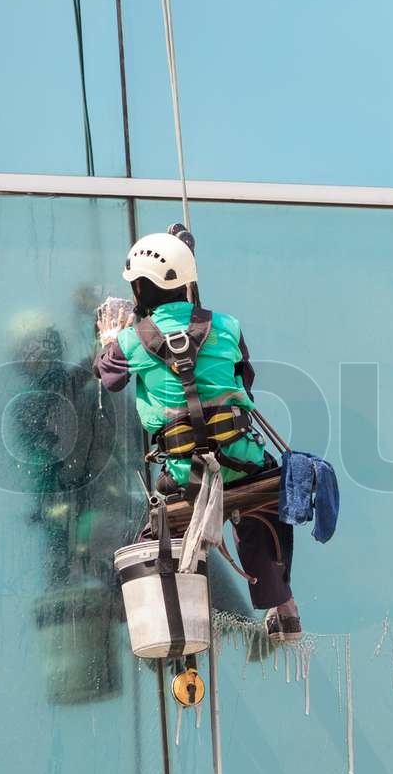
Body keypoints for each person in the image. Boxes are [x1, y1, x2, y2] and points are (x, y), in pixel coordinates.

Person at [93, 226, 301, 642]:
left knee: (154, 542)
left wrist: (110, 339)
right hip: (244, 464)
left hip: (184, 476)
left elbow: (108, 377)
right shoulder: (227, 326)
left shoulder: (132, 342)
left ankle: (162, 624)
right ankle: (284, 609)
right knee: (258, 517)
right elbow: (246, 378)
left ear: (138, 288)